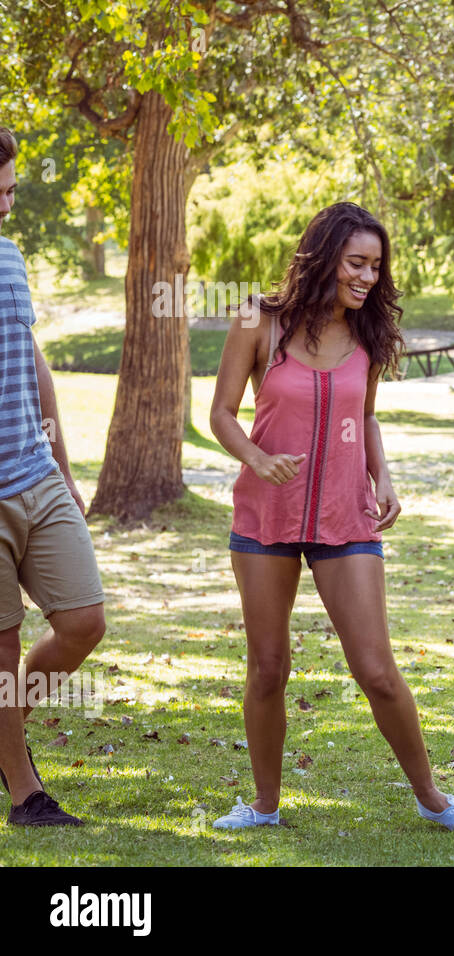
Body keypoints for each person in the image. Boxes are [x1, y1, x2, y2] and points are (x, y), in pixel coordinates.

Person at [209, 202, 454, 834]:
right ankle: (263, 805)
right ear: (323, 258)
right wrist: (258, 458)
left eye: (375, 267)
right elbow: (222, 413)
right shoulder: (260, 321)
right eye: (355, 263)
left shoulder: (367, 335)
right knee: (269, 668)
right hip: (265, 517)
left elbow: (363, 416)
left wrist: (382, 476)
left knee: (377, 670)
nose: (366, 277)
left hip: (346, 517)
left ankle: (432, 798)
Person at [0, 126, 106, 826]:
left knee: (83, 622)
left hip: (35, 474)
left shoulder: (10, 255)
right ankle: (24, 792)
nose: (8, 204)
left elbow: (31, 357)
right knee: (2, 647)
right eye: (0, 189)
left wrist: (64, 466)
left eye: (11, 188)